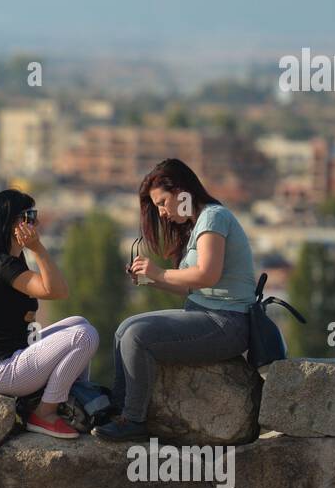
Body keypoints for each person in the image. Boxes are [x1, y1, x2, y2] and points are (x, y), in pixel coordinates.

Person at [95, 159, 257, 440]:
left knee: (137, 336)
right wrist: (151, 278)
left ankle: (134, 419)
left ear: (182, 191)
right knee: (125, 329)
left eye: (162, 202)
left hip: (228, 323)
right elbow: (190, 287)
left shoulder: (214, 217)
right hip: (206, 314)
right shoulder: (196, 225)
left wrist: (158, 271)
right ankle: (119, 410)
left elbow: (206, 275)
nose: (162, 212)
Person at [0, 189, 100, 440]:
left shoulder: (3, 260)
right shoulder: (3, 265)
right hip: (0, 369)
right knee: (85, 336)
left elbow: (59, 289)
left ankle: (72, 400)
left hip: (8, 359)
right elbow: (56, 291)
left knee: (79, 323)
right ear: (12, 224)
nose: (35, 222)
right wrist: (37, 248)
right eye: (29, 216)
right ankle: (45, 413)